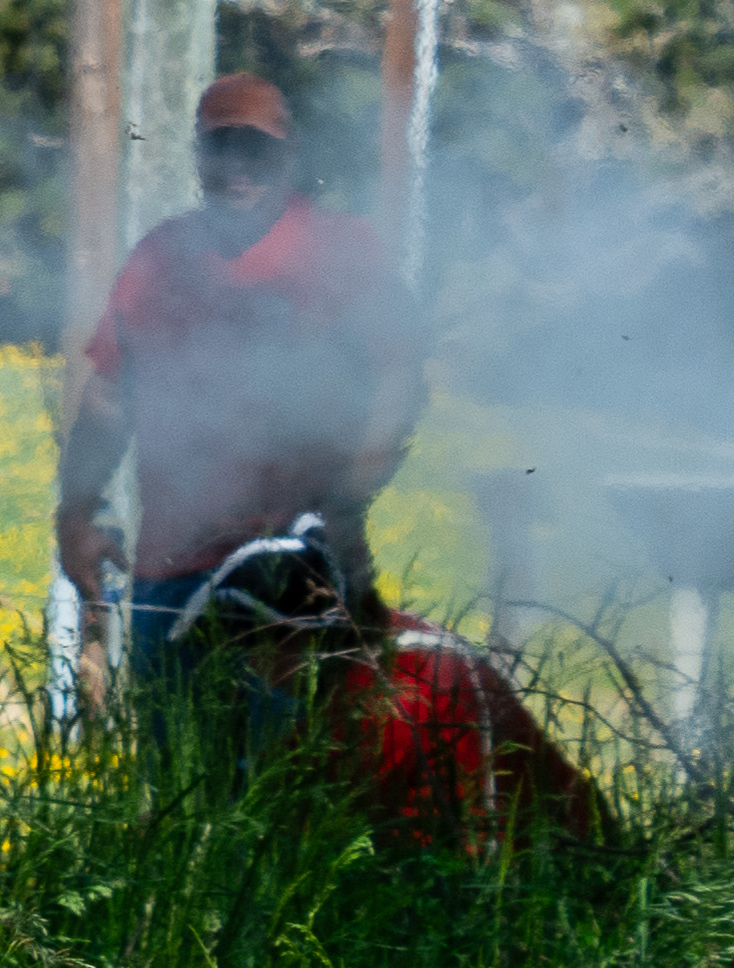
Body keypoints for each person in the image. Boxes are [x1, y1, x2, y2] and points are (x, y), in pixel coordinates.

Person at [55, 75, 431, 687]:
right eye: (221, 149)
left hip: (297, 570)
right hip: (169, 572)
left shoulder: (343, 249)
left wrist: (348, 499)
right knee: (175, 772)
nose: (239, 169)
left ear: (289, 155)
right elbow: (106, 397)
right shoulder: (160, 257)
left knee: (292, 768)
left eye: (257, 150)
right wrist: (74, 517)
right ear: (199, 157)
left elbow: (400, 380)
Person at [175, 520, 615, 859]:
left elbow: (483, 859)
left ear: (296, 637)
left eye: (256, 648)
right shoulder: (355, 675)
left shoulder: (407, 697)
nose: (253, 668)